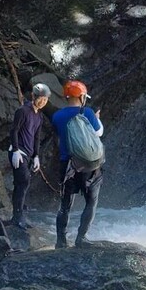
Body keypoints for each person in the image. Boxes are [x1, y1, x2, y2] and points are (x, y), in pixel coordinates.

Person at [50, 79, 104, 249]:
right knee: (91, 201)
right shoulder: (87, 112)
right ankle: (81, 238)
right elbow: (99, 133)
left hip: (68, 164)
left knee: (65, 205)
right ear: (82, 96)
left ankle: (61, 241)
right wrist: (96, 118)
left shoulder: (57, 116)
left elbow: (58, 133)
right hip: (89, 166)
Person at [7, 82, 50, 231]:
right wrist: (15, 150)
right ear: (33, 96)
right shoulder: (22, 111)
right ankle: (18, 217)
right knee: (23, 182)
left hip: (29, 153)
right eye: (40, 99)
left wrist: (36, 156)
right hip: (18, 152)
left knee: (22, 184)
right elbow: (14, 130)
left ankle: (18, 216)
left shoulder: (40, 116)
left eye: (45, 100)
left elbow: (37, 137)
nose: (43, 102)